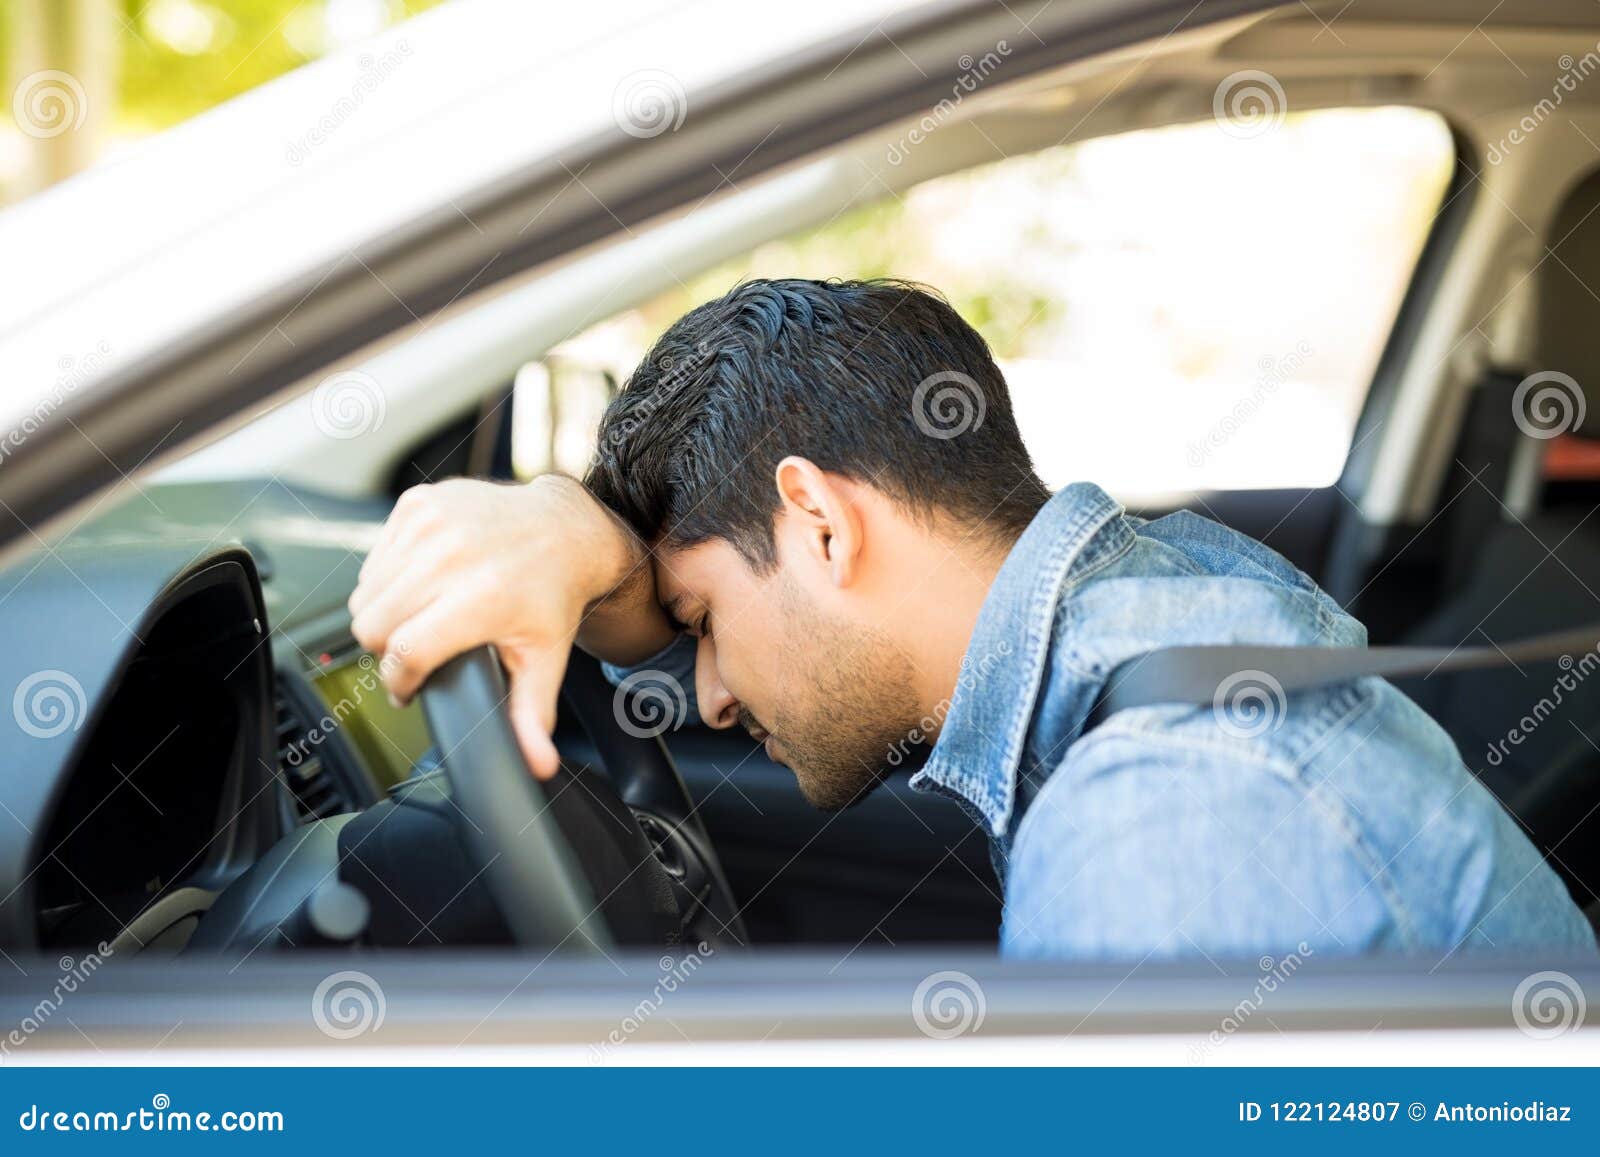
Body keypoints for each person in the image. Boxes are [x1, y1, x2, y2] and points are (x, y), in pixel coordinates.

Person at [348, 277, 1596, 959]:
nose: (708, 693)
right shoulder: (1155, 592)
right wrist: (570, 529)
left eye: (703, 619)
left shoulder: (1159, 826)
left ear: (819, 522)